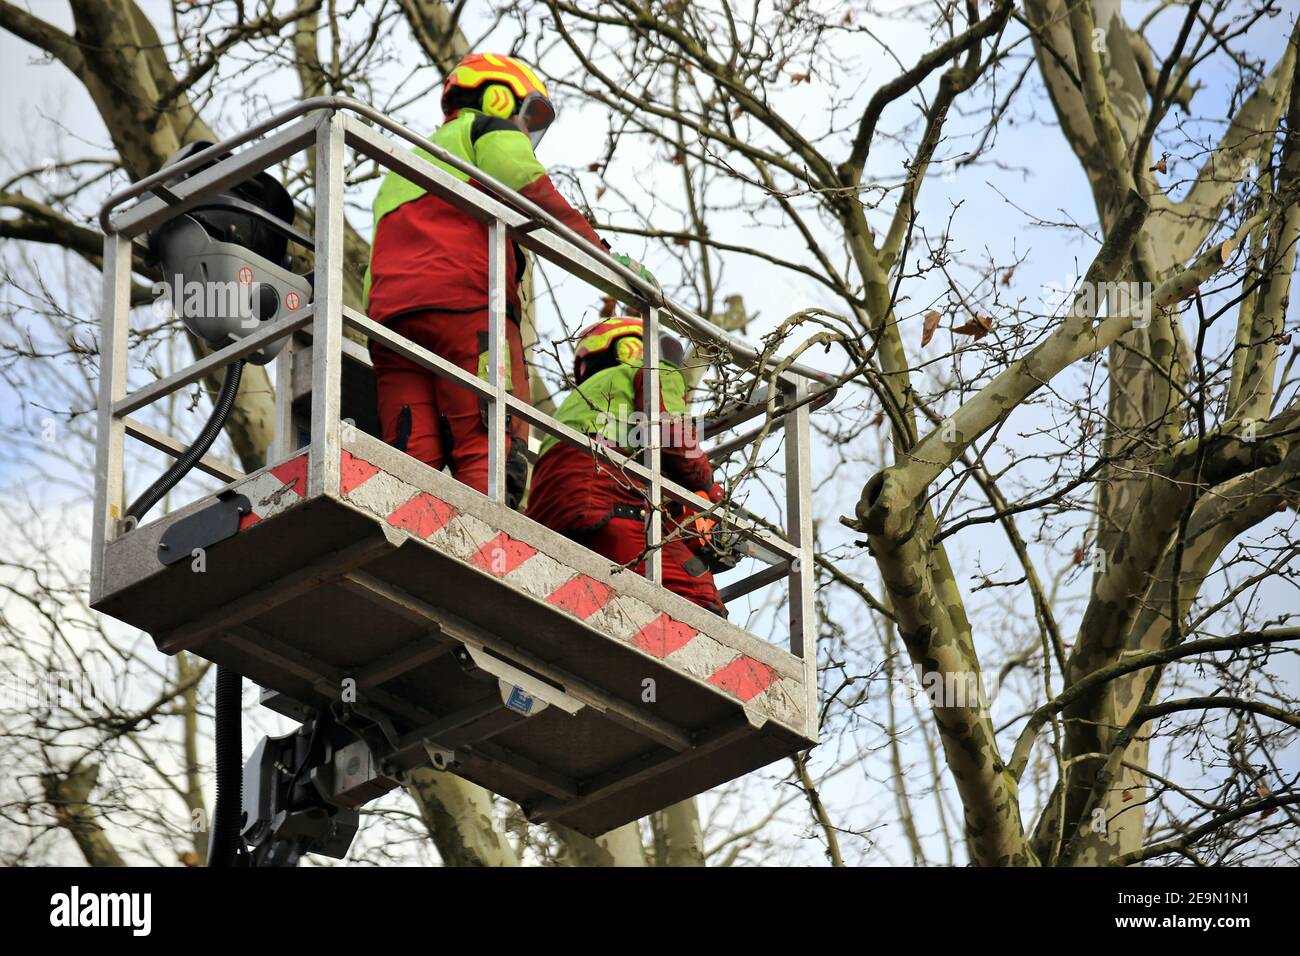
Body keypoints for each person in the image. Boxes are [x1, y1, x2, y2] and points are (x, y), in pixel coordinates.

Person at [364, 52, 605, 505]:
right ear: (497, 96)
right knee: (491, 440)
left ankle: (407, 533)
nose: (527, 131)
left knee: (410, 451)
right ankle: (487, 549)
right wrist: (603, 254)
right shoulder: (486, 130)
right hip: (468, 309)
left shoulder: (403, 165)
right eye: (529, 113)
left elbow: (374, 259)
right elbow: (528, 186)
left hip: (391, 322)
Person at [526, 316, 726, 615]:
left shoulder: (579, 402)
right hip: (605, 504)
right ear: (633, 347)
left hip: (550, 522)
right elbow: (672, 437)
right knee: (697, 594)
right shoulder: (653, 371)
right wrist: (708, 487)